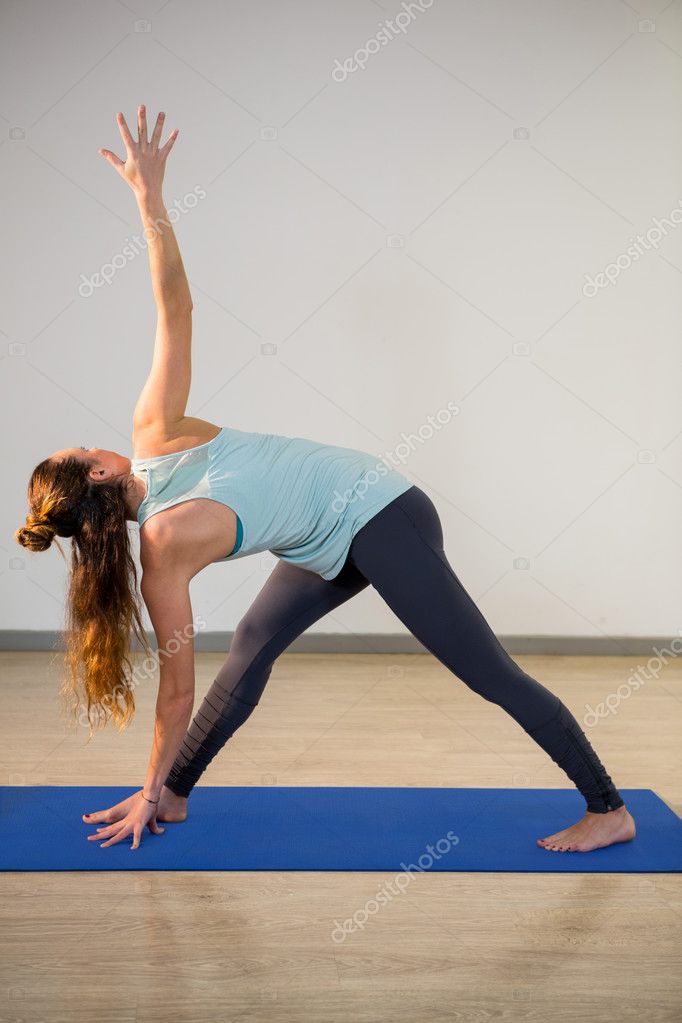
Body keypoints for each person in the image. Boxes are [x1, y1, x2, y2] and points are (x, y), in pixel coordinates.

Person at [16, 106, 636, 854]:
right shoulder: (154, 437)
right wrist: (149, 202)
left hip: (380, 511)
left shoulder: (158, 550)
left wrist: (142, 786)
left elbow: (172, 693)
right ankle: (173, 796)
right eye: (85, 445)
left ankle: (608, 807)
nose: (96, 441)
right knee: (253, 641)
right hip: (335, 535)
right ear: (102, 469)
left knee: (480, 668)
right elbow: (175, 303)